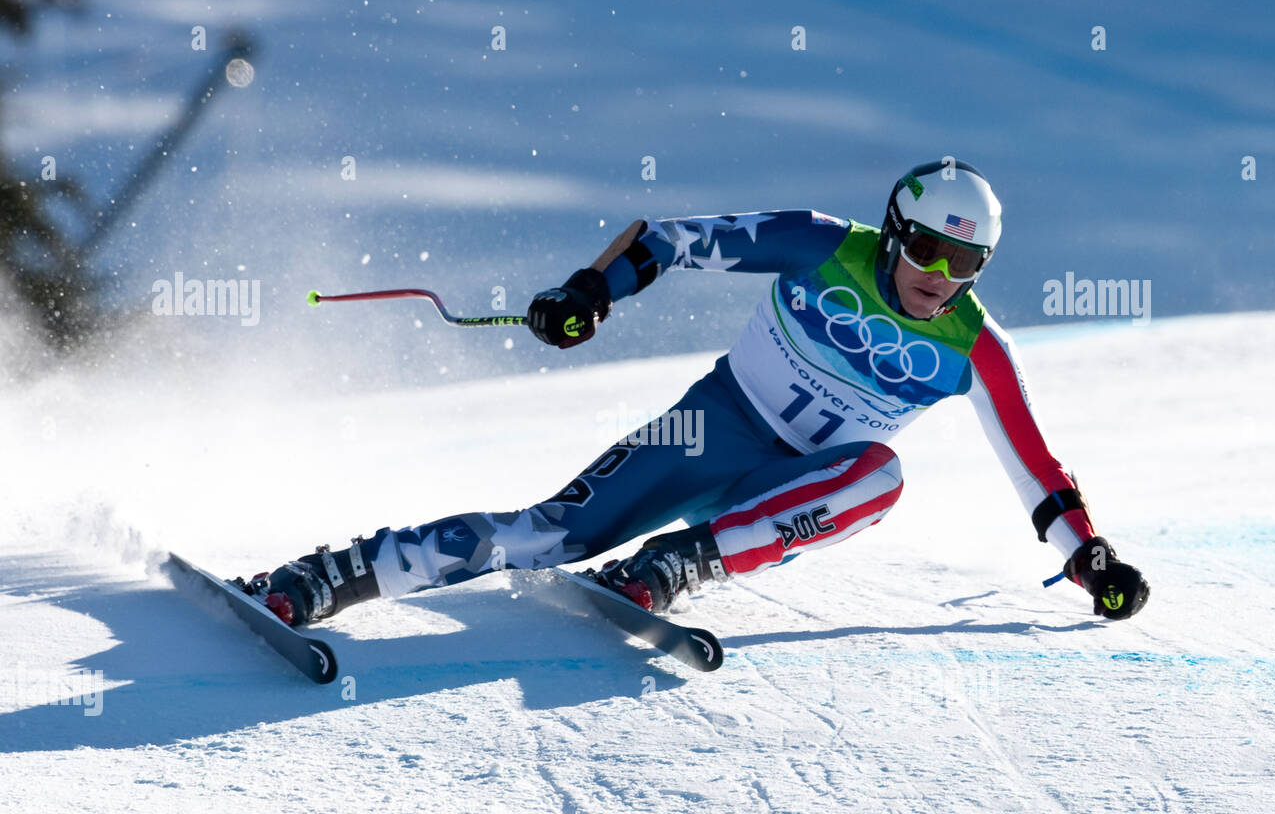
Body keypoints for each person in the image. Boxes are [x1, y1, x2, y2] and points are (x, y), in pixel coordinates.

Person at [251, 159, 1148, 627]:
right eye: (927, 251)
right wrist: (591, 288)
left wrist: (1088, 556)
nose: (939, 277)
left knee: (880, 473)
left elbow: (1035, 467)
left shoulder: (973, 347)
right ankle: (322, 581)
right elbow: (674, 239)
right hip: (710, 429)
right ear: (895, 232)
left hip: (791, 489)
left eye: (967, 263)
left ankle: (678, 567)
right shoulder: (820, 242)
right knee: (548, 534)